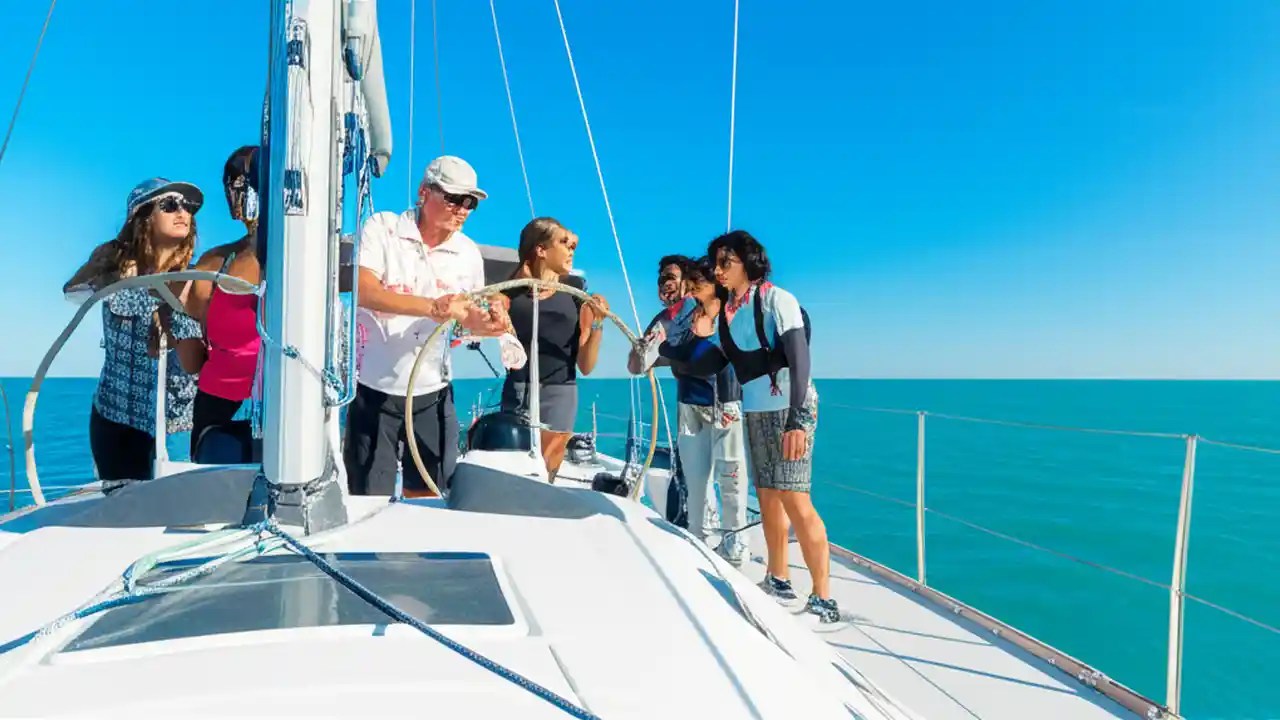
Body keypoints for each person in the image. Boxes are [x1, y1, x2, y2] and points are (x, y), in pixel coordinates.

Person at [344, 155, 508, 496]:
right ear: (423, 192)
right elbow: (365, 292)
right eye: (453, 198)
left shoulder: (468, 254)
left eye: (470, 202)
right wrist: (433, 307)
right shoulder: (384, 228)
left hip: (433, 395)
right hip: (373, 391)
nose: (462, 209)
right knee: (367, 501)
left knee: (431, 498)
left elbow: (466, 326)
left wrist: (490, 321)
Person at [64, 178, 205, 487]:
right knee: (120, 514)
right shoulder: (116, 269)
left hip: (173, 426)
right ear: (143, 217)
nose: (183, 212)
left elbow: (195, 363)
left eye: (188, 206)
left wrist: (172, 305)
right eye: (169, 205)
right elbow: (72, 292)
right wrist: (109, 260)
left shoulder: (195, 279)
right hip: (114, 416)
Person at [629, 256, 748, 565]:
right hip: (689, 404)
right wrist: (647, 348)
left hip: (725, 401)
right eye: (660, 280)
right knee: (696, 481)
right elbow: (638, 365)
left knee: (731, 477)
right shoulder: (663, 320)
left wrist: (671, 350)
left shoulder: (721, 309)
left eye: (671, 277)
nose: (665, 284)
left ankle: (735, 546)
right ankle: (700, 541)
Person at [502, 217, 609, 481]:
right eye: (564, 243)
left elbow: (585, 365)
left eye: (573, 245)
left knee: (547, 471)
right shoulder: (508, 296)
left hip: (560, 392)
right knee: (514, 467)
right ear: (540, 250)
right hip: (518, 389)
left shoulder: (577, 300)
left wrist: (597, 325)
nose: (572, 249)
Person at [182, 146, 263, 454]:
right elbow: (192, 354)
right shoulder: (214, 262)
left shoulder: (315, 255)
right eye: (232, 182)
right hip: (217, 405)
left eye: (247, 179)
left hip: (288, 404)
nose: (238, 189)